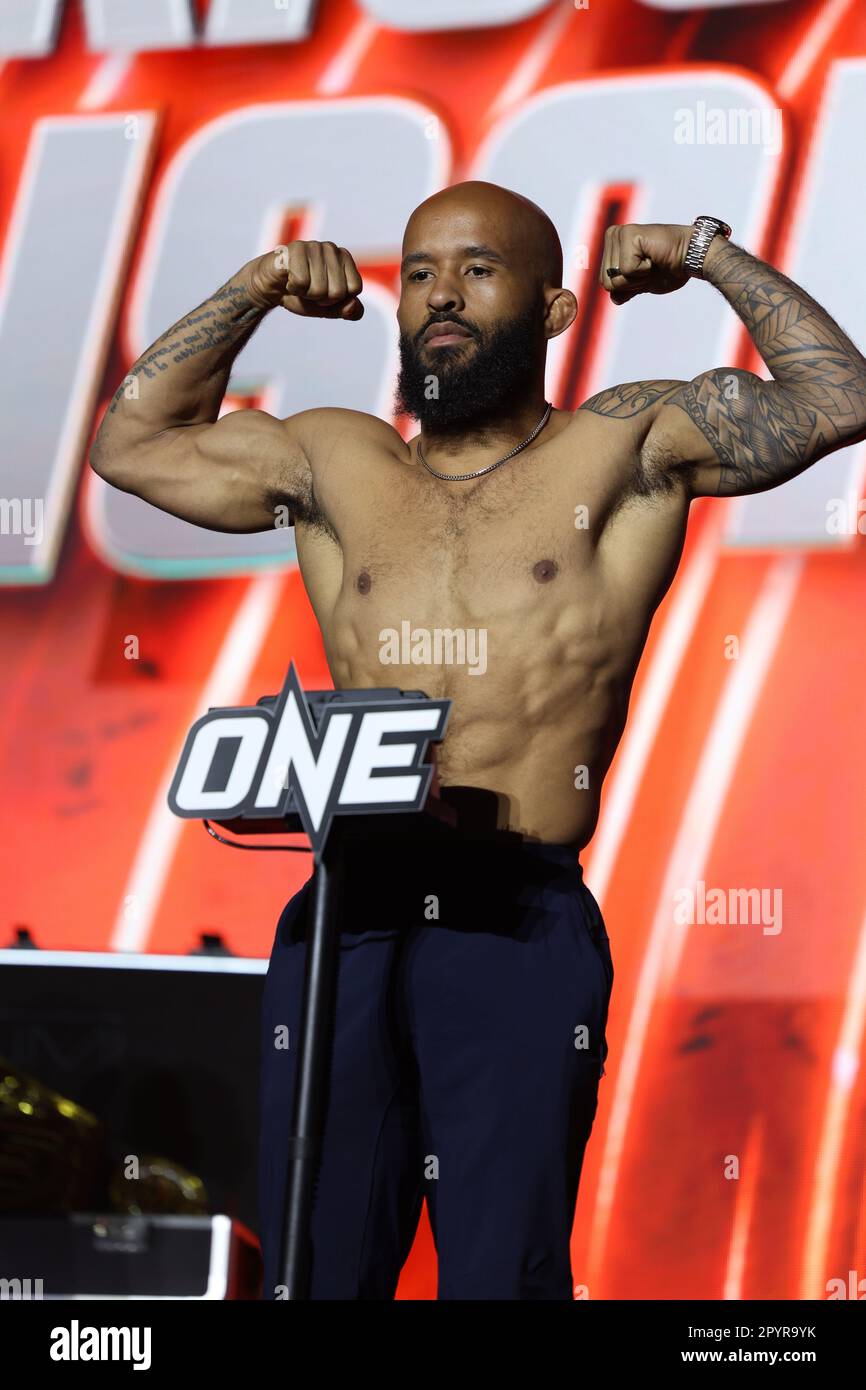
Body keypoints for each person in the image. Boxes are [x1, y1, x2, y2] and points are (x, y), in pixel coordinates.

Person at [90, 181, 866, 1299]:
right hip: (344, 918)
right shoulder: (329, 461)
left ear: (552, 311)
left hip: (511, 917)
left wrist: (704, 254)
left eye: (476, 268)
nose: (439, 294)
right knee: (315, 1271)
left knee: (500, 1274)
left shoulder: (623, 445)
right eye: (416, 273)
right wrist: (253, 286)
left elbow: (836, 395)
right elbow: (133, 444)